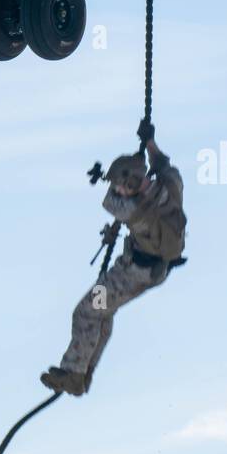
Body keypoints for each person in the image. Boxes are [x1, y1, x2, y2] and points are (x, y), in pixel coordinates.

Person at [42, 121, 186, 397]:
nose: (117, 190)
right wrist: (150, 143)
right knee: (102, 312)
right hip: (149, 269)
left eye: (121, 186)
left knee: (86, 311)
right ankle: (82, 373)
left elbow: (109, 203)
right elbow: (164, 165)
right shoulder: (171, 186)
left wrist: (124, 176)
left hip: (133, 273)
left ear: (130, 186)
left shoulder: (135, 210)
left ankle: (74, 374)